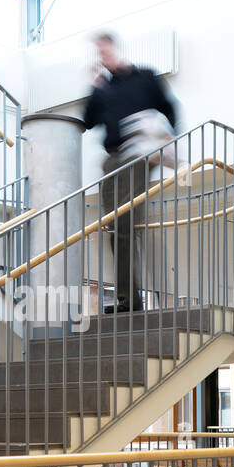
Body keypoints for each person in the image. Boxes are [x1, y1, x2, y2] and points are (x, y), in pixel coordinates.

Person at [82, 32, 177, 312]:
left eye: (105, 50)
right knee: (116, 227)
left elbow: (169, 108)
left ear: (115, 49)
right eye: (98, 53)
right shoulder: (104, 90)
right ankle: (129, 298)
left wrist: (166, 139)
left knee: (123, 225)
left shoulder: (144, 77)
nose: (103, 57)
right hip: (112, 160)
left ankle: (130, 300)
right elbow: (88, 121)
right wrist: (95, 85)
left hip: (139, 155)